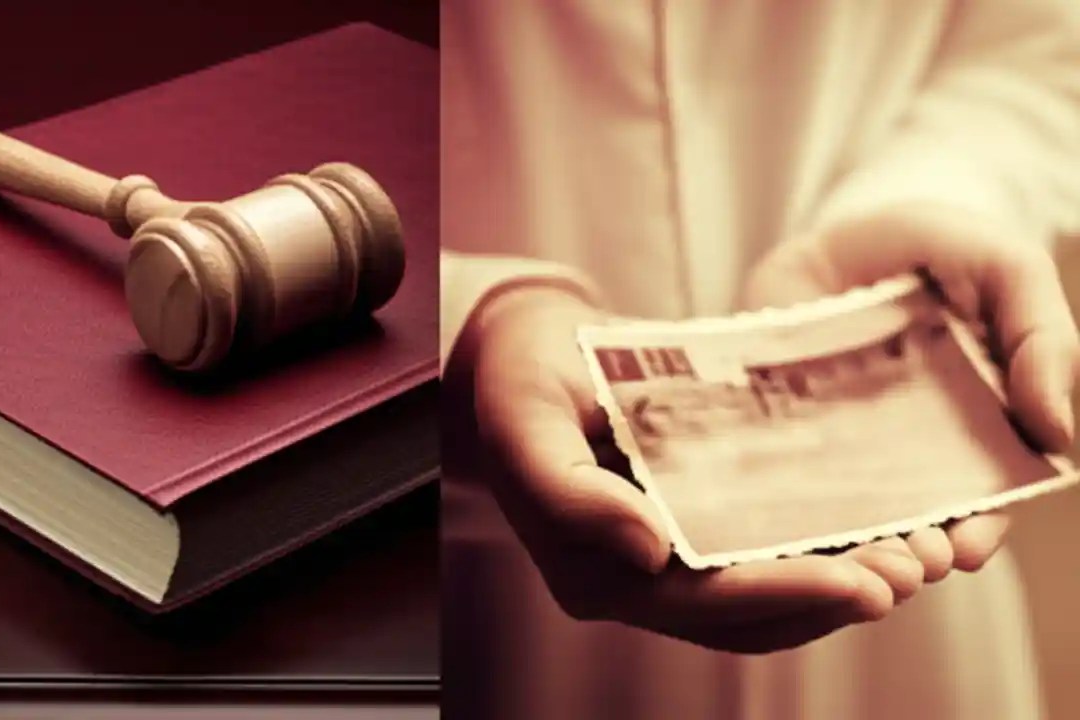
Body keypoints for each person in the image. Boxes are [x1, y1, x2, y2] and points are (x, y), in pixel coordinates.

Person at [441, 2, 1080, 718]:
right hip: (472, 599)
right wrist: (464, 319)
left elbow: (1032, 49)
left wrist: (949, 195)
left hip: (909, 589)